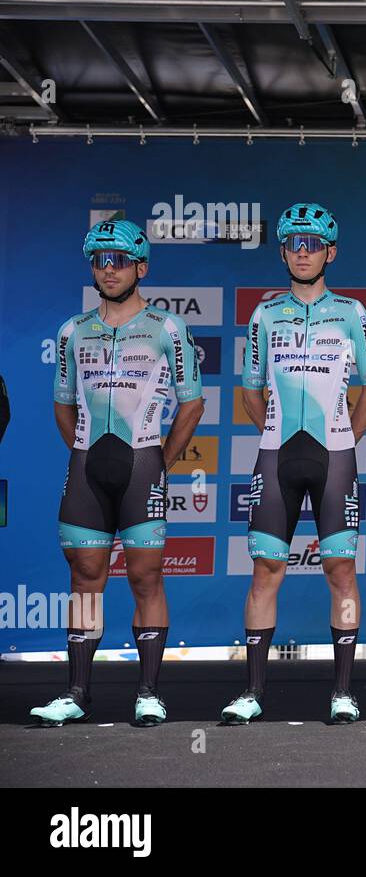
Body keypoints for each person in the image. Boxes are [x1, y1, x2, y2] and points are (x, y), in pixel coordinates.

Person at [32, 219, 204, 727]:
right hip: (88, 467)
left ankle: (149, 692)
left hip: (144, 462)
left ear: (141, 268)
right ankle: (77, 692)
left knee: (147, 579)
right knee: (85, 579)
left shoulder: (168, 329)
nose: (109, 269)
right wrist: (86, 453)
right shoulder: (72, 330)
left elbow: (191, 405)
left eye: (121, 260)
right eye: (100, 260)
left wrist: (160, 462)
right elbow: (63, 406)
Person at [221, 203, 366, 725]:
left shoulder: (353, 313)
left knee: (341, 571)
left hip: (335, 457)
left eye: (313, 244)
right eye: (294, 243)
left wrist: (343, 439)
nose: (303, 252)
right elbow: (249, 392)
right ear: (284, 251)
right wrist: (275, 434)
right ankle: (252, 692)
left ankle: (343, 691)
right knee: (265, 571)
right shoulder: (264, 313)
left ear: (330, 252)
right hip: (276, 457)